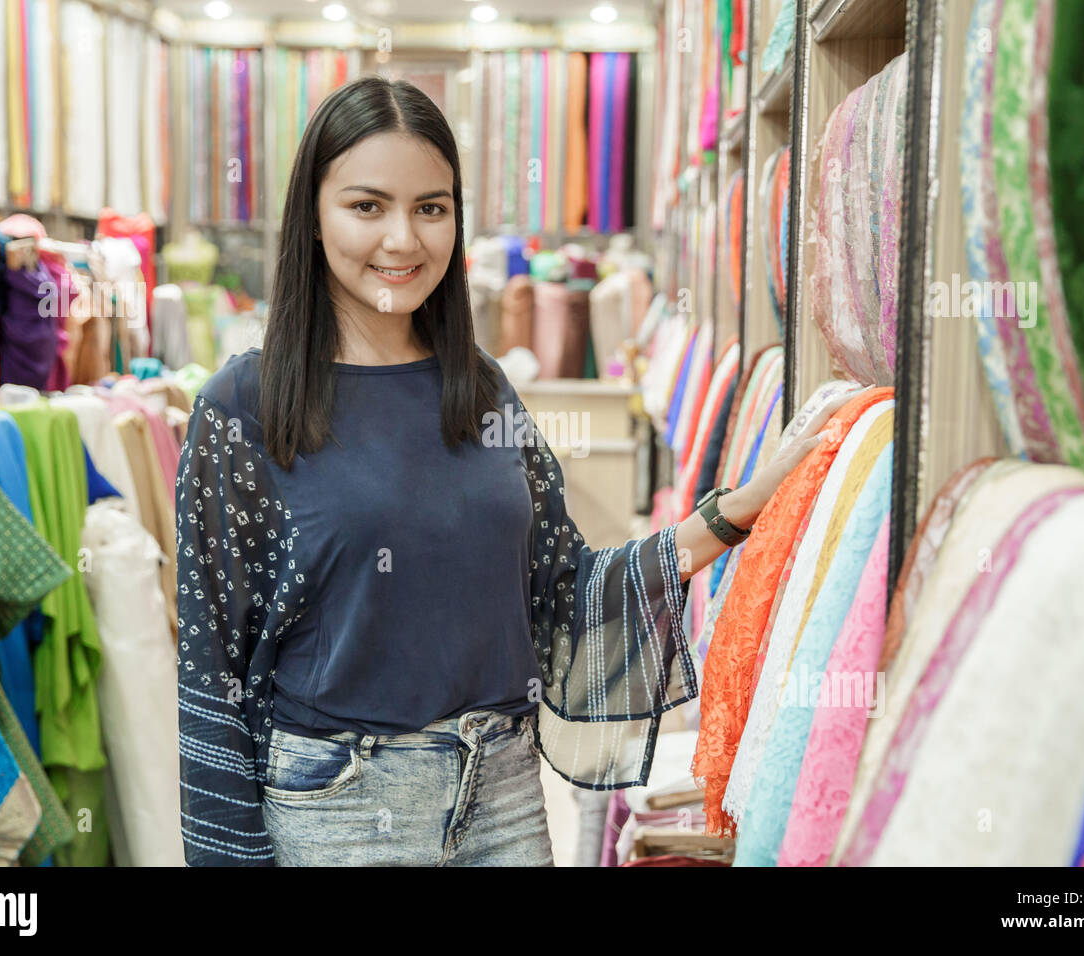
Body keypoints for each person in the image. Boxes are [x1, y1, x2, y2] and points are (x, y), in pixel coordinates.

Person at [175, 74, 853, 866]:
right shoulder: (244, 407)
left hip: (502, 799)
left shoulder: (483, 389)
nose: (403, 239)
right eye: (368, 206)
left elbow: (562, 591)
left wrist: (734, 511)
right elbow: (211, 669)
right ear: (313, 219)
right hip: (339, 812)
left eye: (431, 207)